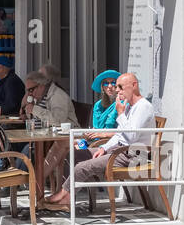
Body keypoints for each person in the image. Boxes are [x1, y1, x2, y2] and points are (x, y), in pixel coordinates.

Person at [43, 73, 156, 211]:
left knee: (81, 167)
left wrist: (120, 114)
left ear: (134, 85)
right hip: (119, 150)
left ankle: (63, 198)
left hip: (134, 156)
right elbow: (119, 134)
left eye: (120, 86)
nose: (117, 90)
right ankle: (65, 195)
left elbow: (131, 137)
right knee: (73, 155)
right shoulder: (129, 106)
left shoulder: (143, 107)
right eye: (117, 87)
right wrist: (104, 147)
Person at [21, 66, 79, 201]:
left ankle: (36, 184)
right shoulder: (41, 96)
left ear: (41, 86)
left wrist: (35, 110)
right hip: (56, 136)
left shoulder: (57, 95)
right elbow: (35, 119)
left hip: (72, 134)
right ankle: (40, 186)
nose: (30, 93)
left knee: (56, 147)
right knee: (40, 149)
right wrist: (27, 106)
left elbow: (59, 120)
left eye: (31, 90)